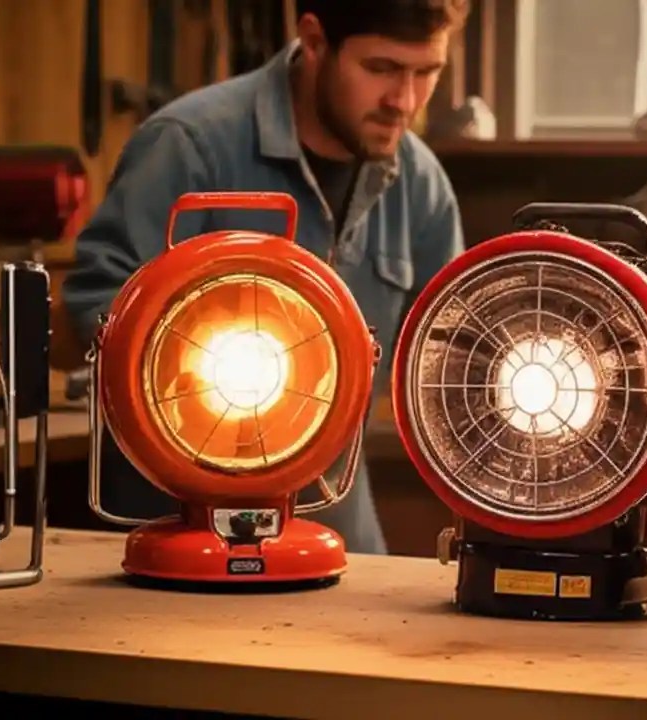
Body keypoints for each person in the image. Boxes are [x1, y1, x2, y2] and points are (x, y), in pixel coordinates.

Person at [60, 0, 470, 555]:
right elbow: (98, 302)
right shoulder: (189, 145)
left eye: (427, 74)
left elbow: (449, 352)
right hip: (173, 528)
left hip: (339, 532)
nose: (404, 101)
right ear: (314, 39)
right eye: (381, 69)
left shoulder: (420, 184)